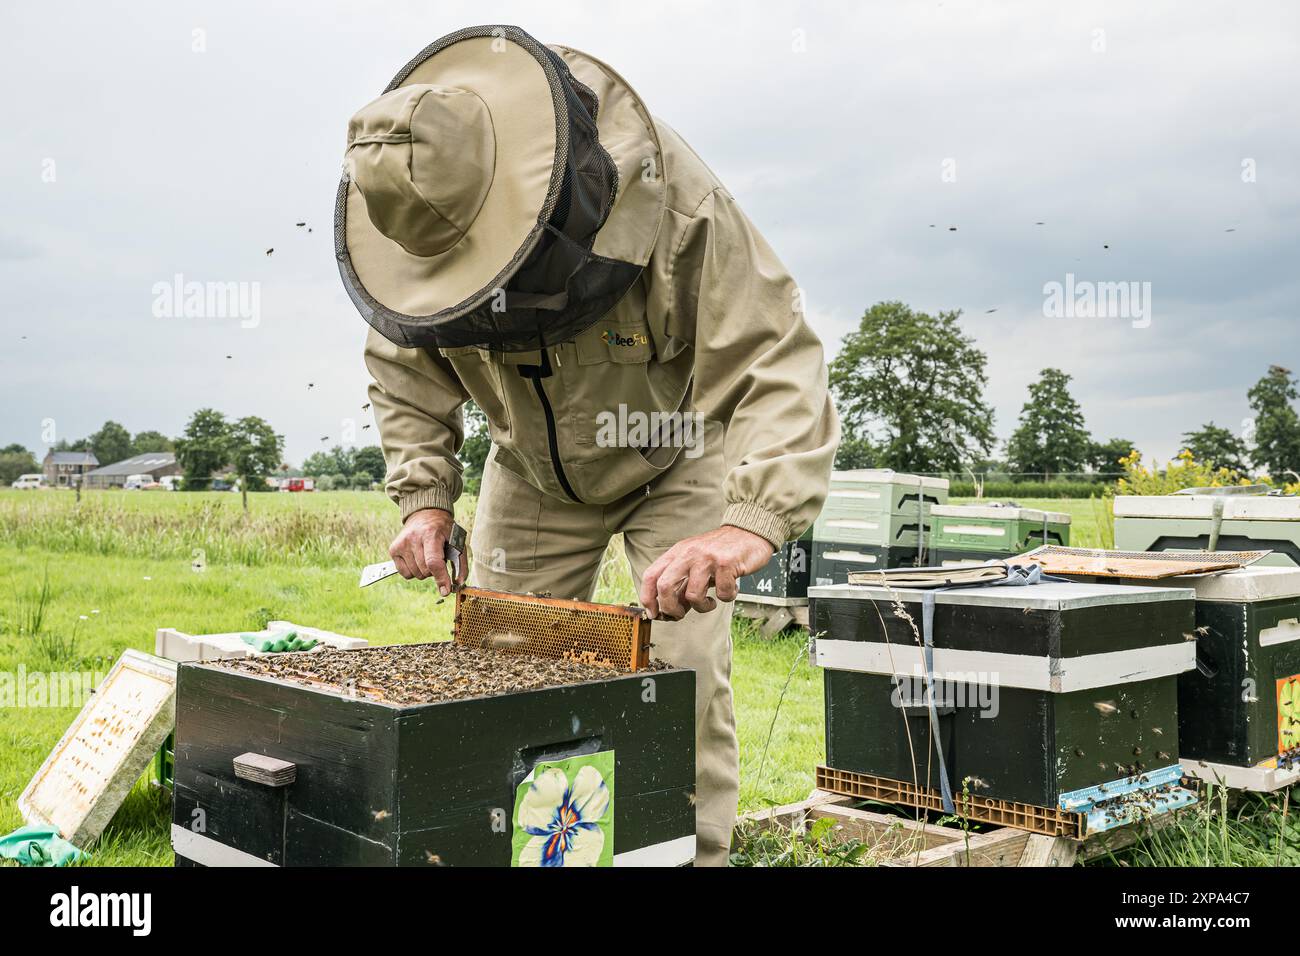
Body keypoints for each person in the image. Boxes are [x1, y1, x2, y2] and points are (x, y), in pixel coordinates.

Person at [337, 24, 838, 866]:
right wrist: (424, 498)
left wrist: (751, 520)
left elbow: (772, 353)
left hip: (675, 448)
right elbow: (403, 367)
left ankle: (686, 856)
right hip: (529, 468)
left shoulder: (681, 205)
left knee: (678, 686)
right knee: (495, 676)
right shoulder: (409, 220)